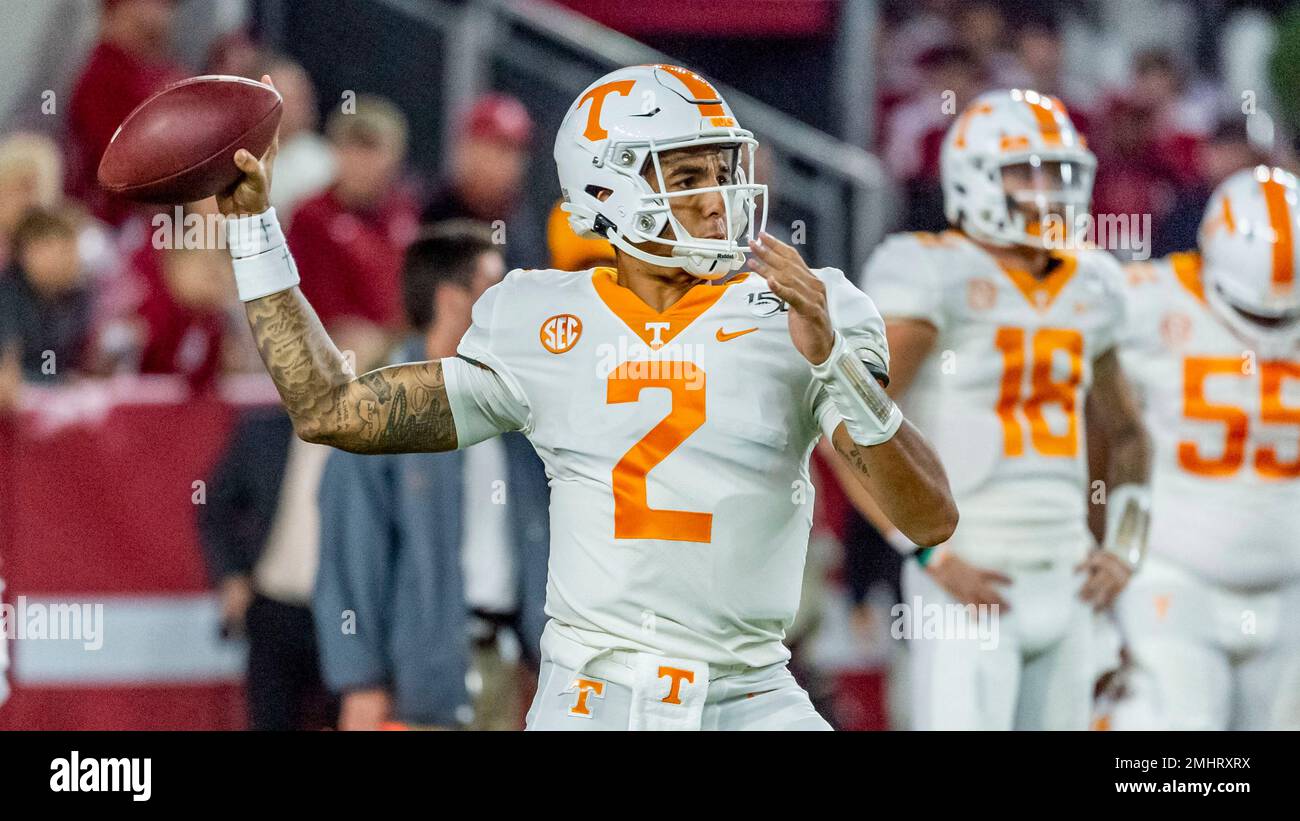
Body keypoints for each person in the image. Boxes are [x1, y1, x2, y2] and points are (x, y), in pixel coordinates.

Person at [216, 66, 956, 731]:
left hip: (753, 690)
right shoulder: (536, 317)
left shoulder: (807, 307)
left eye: (723, 169)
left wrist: (835, 362)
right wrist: (254, 230)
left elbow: (930, 517)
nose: (719, 199)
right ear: (609, 191)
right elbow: (332, 410)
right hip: (594, 698)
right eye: (688, 174)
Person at [861, 89, 1152, 730]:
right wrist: (927, 554)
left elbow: (1128, 433)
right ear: (972, 175)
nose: (1047, 189)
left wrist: (1126, 545)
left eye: (1058, 171)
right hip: (969, 570)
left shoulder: (1093, 283)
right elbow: (850, 426)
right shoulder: (931, 271)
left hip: (1067, 573)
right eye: (1025, 170)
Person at [314, 221, 550, 731]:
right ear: (451, 300)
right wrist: (362, 679)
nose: (510, 305)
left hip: (508, 671)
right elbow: (351, 554)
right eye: (493, 288)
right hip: (414, 682)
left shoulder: (516, 407)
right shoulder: (379, 413)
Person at [1109, 166, 1300, 730]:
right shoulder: (1146, 302)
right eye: (1255, 310)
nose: (1267, 328)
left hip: (1289, 583)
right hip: (1175, 573)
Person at [285, 94, 418, 370]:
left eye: (372, 149)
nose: (361, 161)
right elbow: (312, 311)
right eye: (352, 147)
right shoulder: (311, 216)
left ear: (396, 156)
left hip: (399, 345)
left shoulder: (405, 212)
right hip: (331, 354)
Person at [66, 0, 185, 225]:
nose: (165, 14)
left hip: (157, 226)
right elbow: (128, 174)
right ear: (120, 7)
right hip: (107, 228)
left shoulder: (164, 70)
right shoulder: (101, 76)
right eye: (156, 5)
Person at [0, 207, 93, 381]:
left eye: (68, 250)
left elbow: (77, 363)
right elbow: (8, 372)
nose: (64, 260)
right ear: (24, 254)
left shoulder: (79, 295)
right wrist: (57, 380)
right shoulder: (6, 295)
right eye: (53, 250)